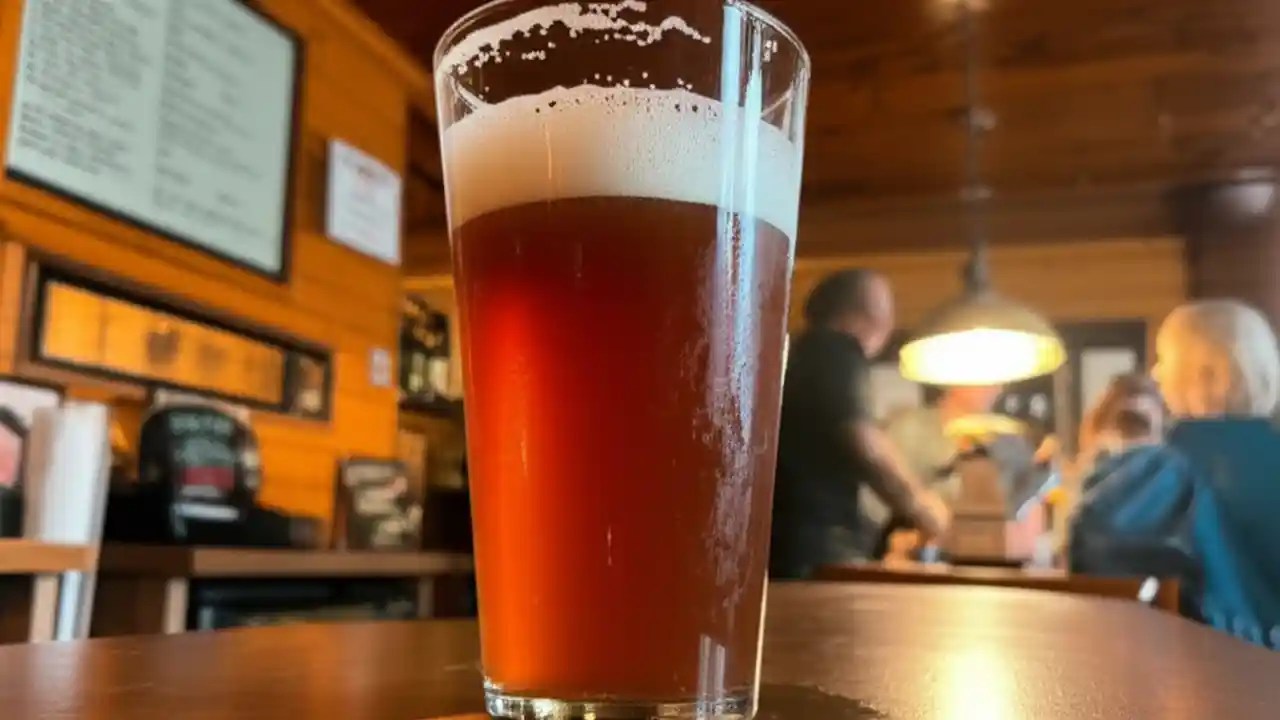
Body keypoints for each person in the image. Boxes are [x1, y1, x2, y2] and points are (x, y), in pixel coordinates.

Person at [1070, 300, 1280, 648]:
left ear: (1202, 371)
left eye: (1164, 359)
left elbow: (1090, 549)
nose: (1156, 374)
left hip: (1212, 677)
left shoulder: (1167, 470)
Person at [770, 270, 950, 579]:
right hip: (814, 550)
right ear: (875, 313)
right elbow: (864, 442)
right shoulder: (833, 348)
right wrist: (923, 507)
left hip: (787, 546)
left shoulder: (802, 354)